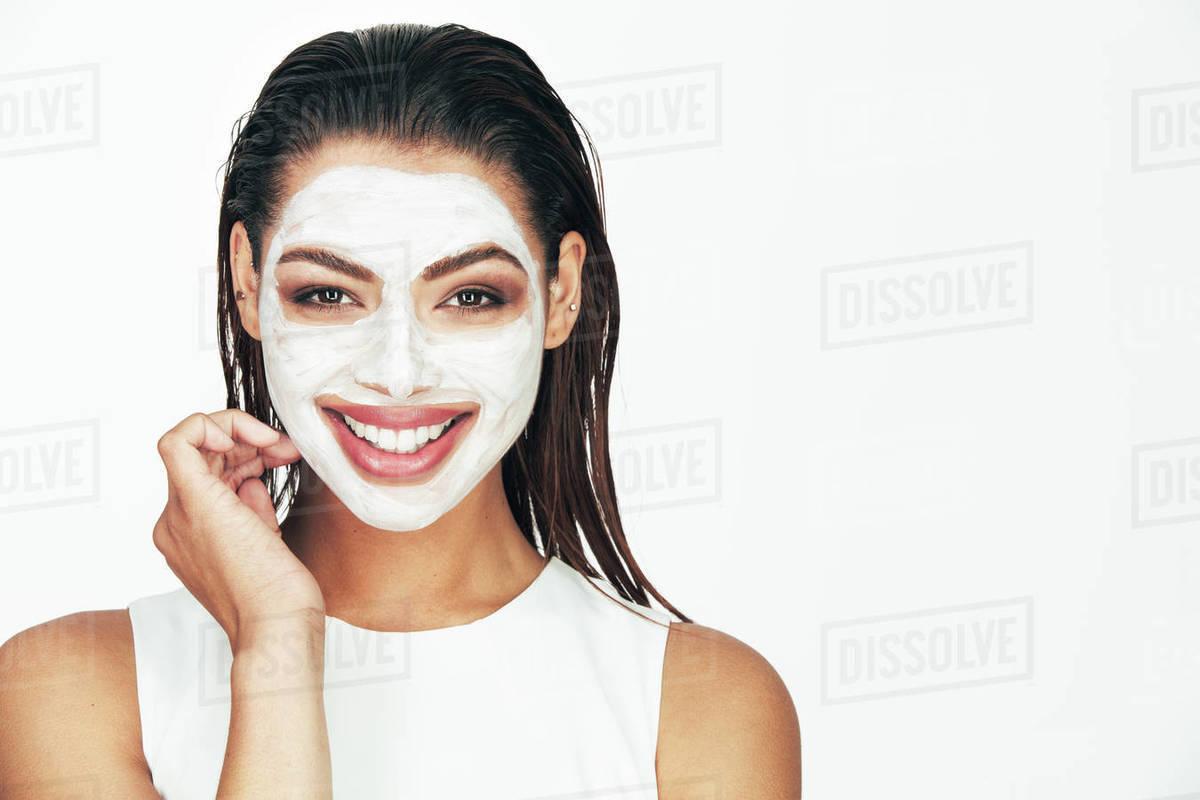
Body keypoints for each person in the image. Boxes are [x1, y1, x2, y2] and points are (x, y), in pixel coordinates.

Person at [0, 22, 801, 799]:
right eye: (327, 294)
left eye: (471, 296)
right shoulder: (73, 691)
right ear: (247, 280)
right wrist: (276, 639)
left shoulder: (702, 710)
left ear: (561, 293)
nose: (397, 375)